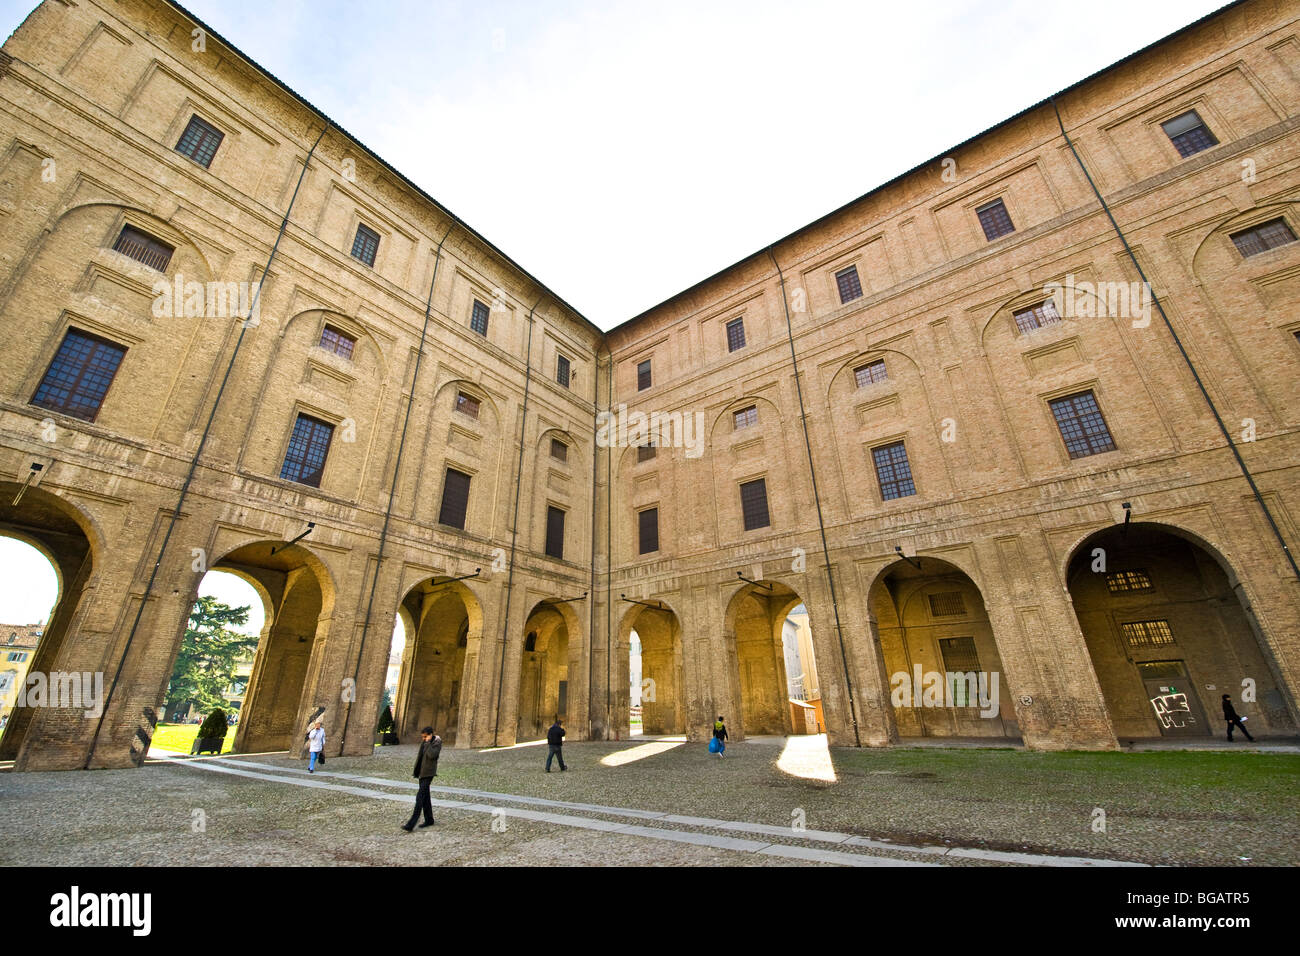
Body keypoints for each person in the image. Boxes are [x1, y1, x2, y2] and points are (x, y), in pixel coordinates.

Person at [403, 727, 442, 831]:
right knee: (425, 797)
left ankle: (411, 824)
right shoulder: (425, 742)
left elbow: (432, 755)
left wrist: (428, 742)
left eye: (425, 736)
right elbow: (420, 756)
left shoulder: (437, 742)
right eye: (423, 737)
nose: (424, 738)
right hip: (422, 773)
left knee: (419, 797)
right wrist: (417, 771)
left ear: (430, 734)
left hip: (428, 773)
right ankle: (429, 819)